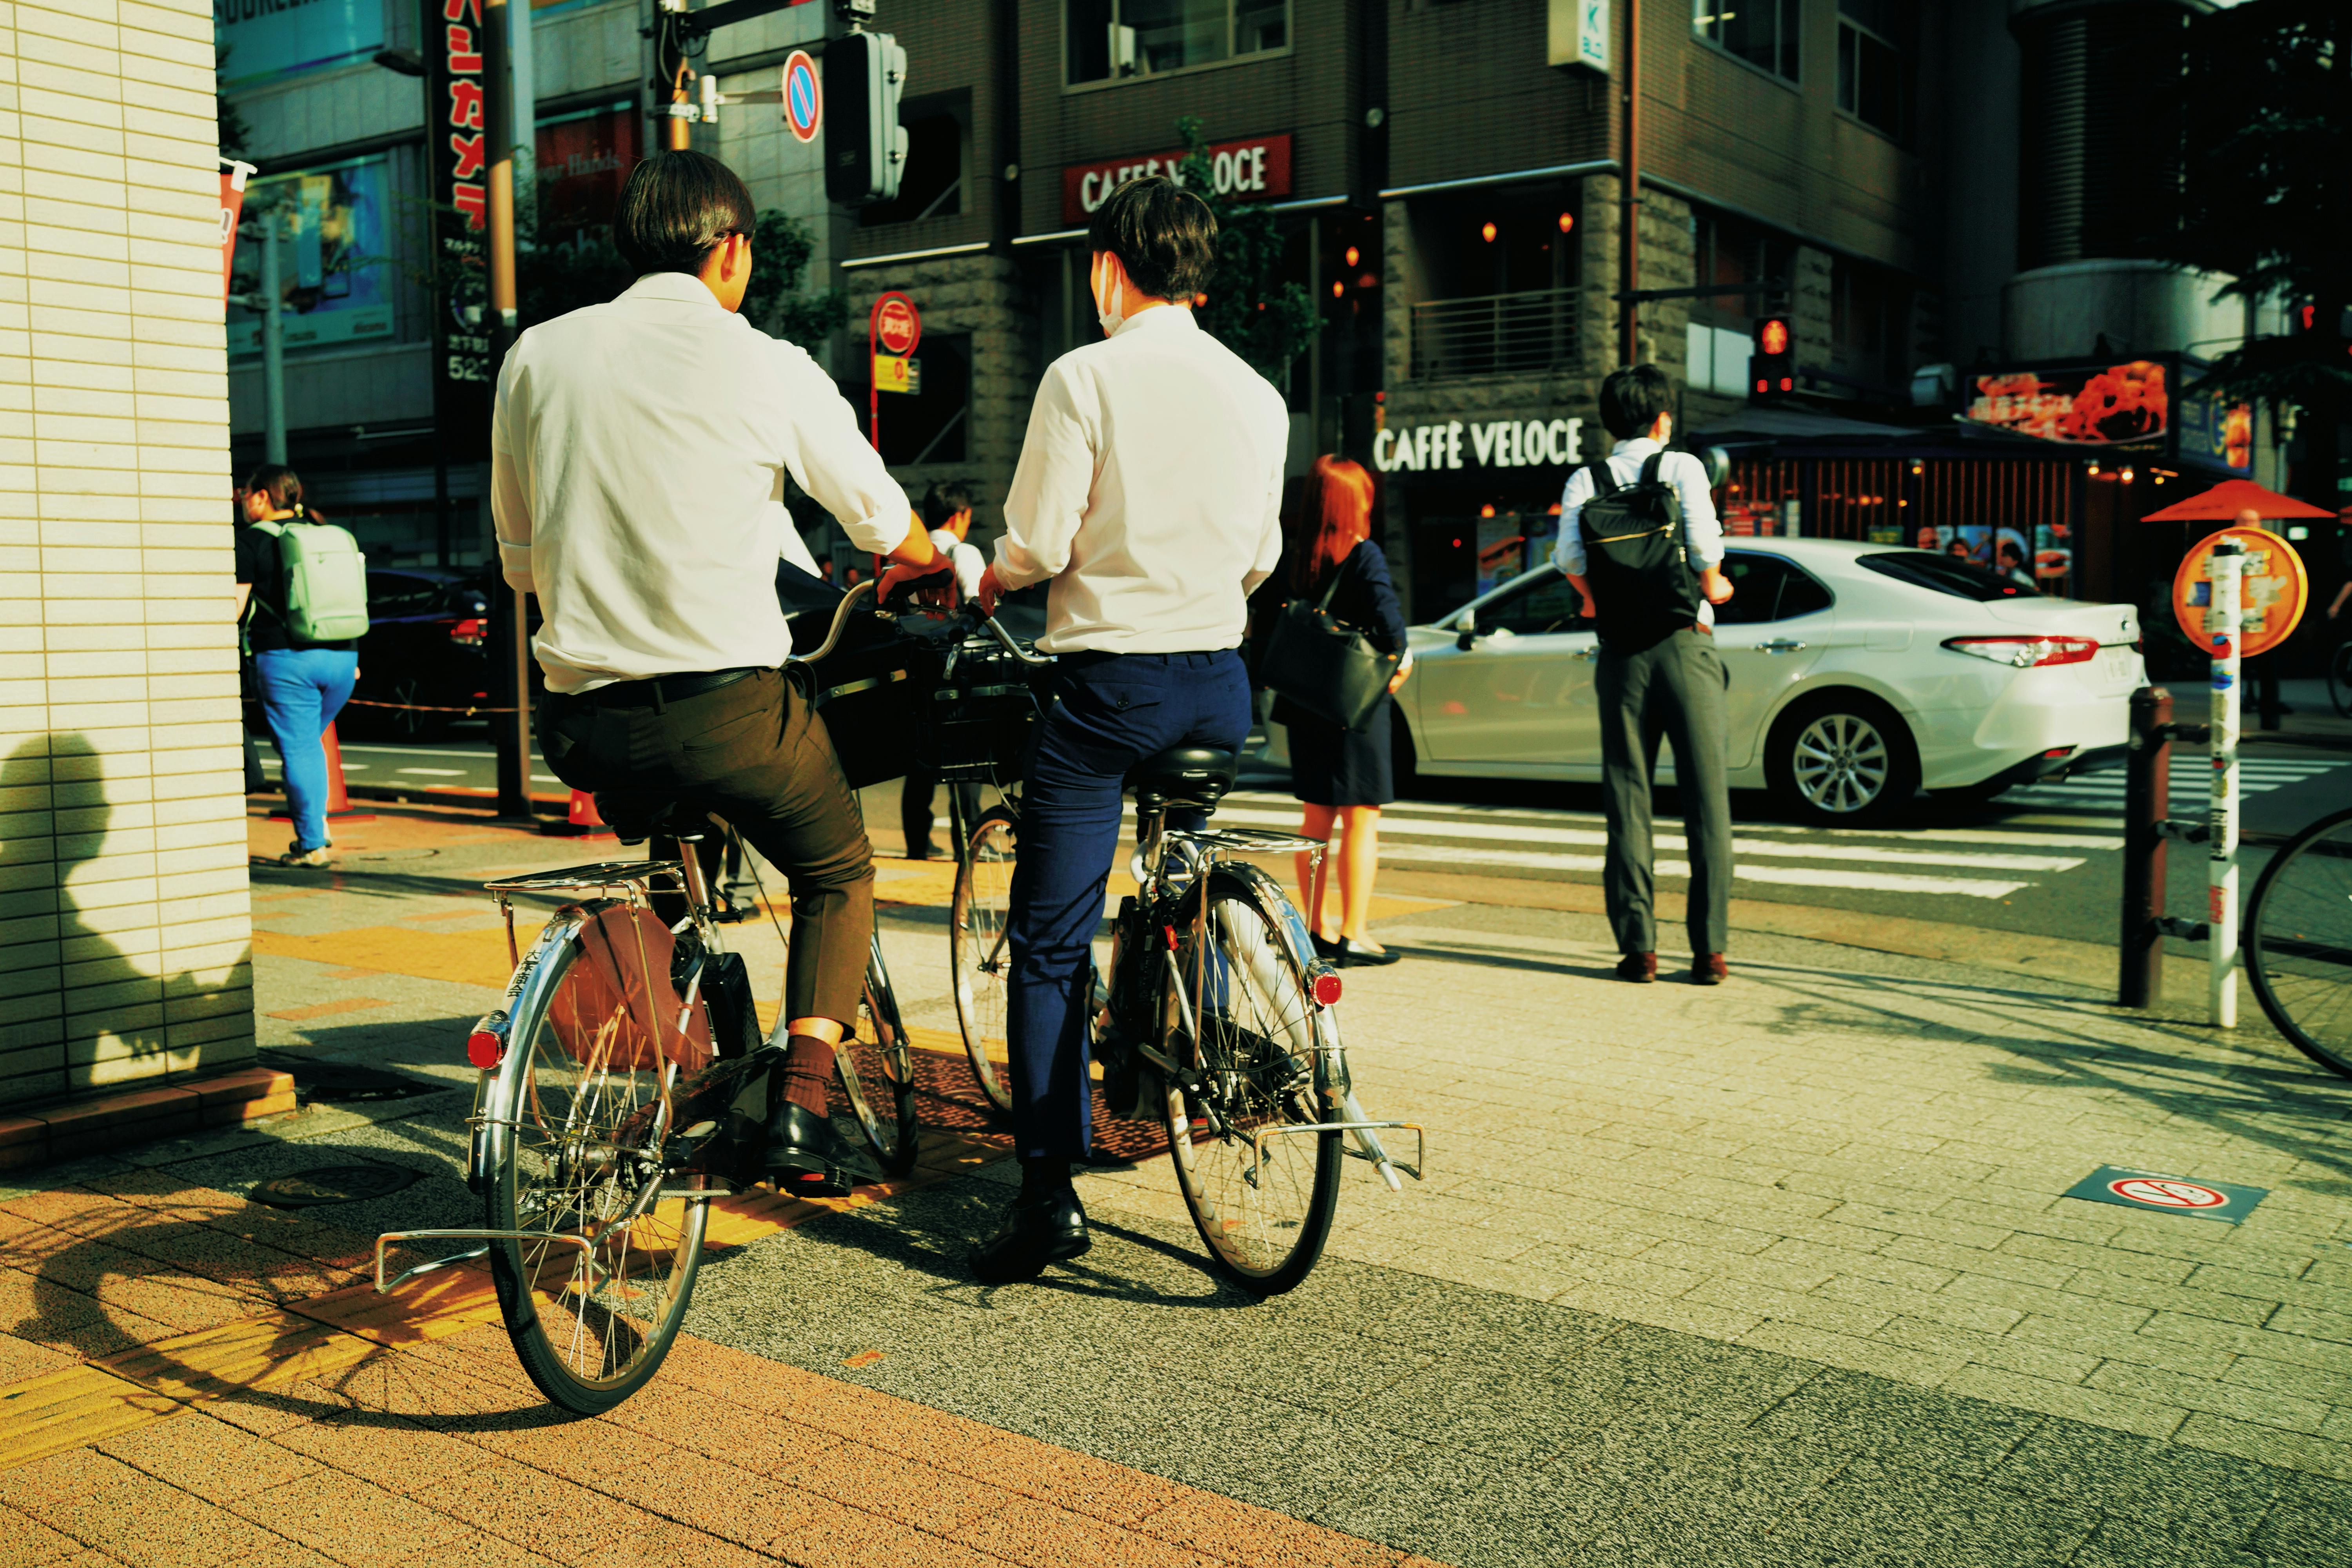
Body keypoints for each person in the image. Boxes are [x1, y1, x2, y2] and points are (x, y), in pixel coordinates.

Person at [492, 149, 944, 1196]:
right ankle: (800, 1109)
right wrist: (934, 557)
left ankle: (693, 1053)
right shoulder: (767, 362)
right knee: (837, 871)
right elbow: (878, 517)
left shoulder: (535, 359)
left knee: (674, 841)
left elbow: (521, 561)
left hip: (589, 724)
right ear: (732, 251)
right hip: (733, 709)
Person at [964, 174, 1285, 1283]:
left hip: (1109, 690)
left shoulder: (1083, 377)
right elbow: (1262, 557)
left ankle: (1048, 1191)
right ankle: (1190, 1042)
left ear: (1110, 268)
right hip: (1220, 687)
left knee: (1053, 945)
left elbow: (1038, 547)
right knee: (1178, 882)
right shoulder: (1259, 393)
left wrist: (985, 577)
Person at [1557, 364, 1736, 985]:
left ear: (1611, 421)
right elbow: (1708, 558)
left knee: (1627, 798)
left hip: (1622, 654)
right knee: (1707, 800)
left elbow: (1568, 559)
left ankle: (1640, 951)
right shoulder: (1682, 468)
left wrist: (1593, 599)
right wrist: (1718, 585)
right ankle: (1709, 952)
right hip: (1687, 644)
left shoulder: (1588, 479)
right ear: (1663, 418)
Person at [1276, 456, 1411, 968]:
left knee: (1315, 819)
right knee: (1362, 818)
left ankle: (1315, 927)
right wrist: (1399, 666)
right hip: (1355, 705)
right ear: (1354, 502)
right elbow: (1392, 633)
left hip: (1307, 702)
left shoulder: (1296, 556)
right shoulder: (1364, 555)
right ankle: (1355, 931)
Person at [234, 465, 356, 869]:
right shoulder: (324, 531)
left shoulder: (251, 541)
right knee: (307, 746)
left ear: (263, 497)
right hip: (343, 658)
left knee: (300, 749)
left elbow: (233, 607)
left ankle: (311, 843)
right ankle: (317, 826)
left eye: (245, 492)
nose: (242, 500)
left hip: (287, 661)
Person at [895, 479, 985, 859]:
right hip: (956, 665)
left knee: (920, 755)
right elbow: (981, 605)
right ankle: (969, 844)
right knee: (965, 753)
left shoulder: (904, 554)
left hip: (914, 664)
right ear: (959, 515)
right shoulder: (961, 551)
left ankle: (918, 844)